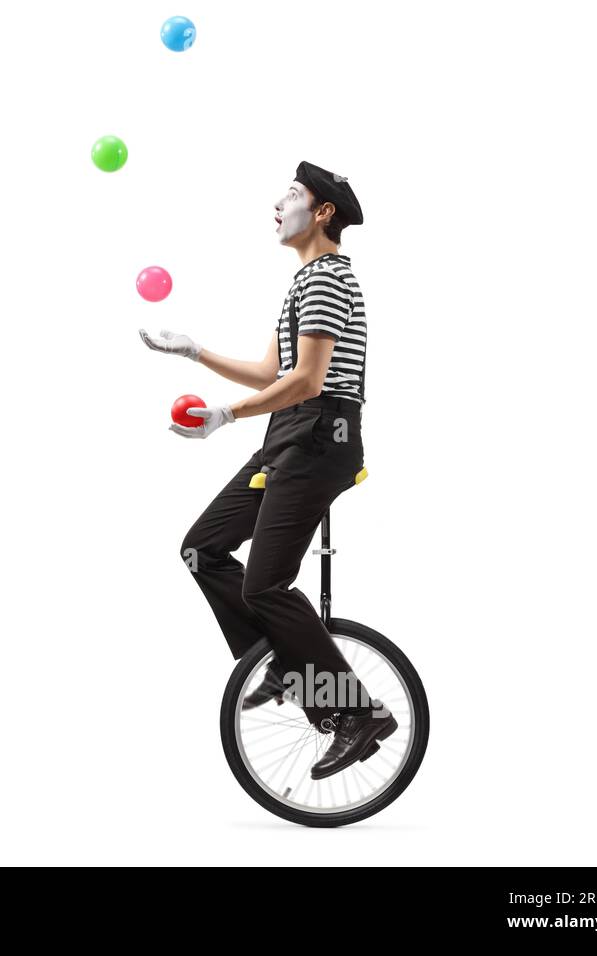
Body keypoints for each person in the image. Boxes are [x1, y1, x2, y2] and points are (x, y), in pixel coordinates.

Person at [139, 161, 395, 781]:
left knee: (265, 586)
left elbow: (306, 382)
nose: (276, 206)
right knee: (202, 548)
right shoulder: (304, 281)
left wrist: (225, 416)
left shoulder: (330, 279)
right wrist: (194, 350)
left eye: (290, 196)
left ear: (323, 211)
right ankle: (281, 662)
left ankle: (357, 714)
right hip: (290, 436)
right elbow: (272, 373)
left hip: (320, 439)